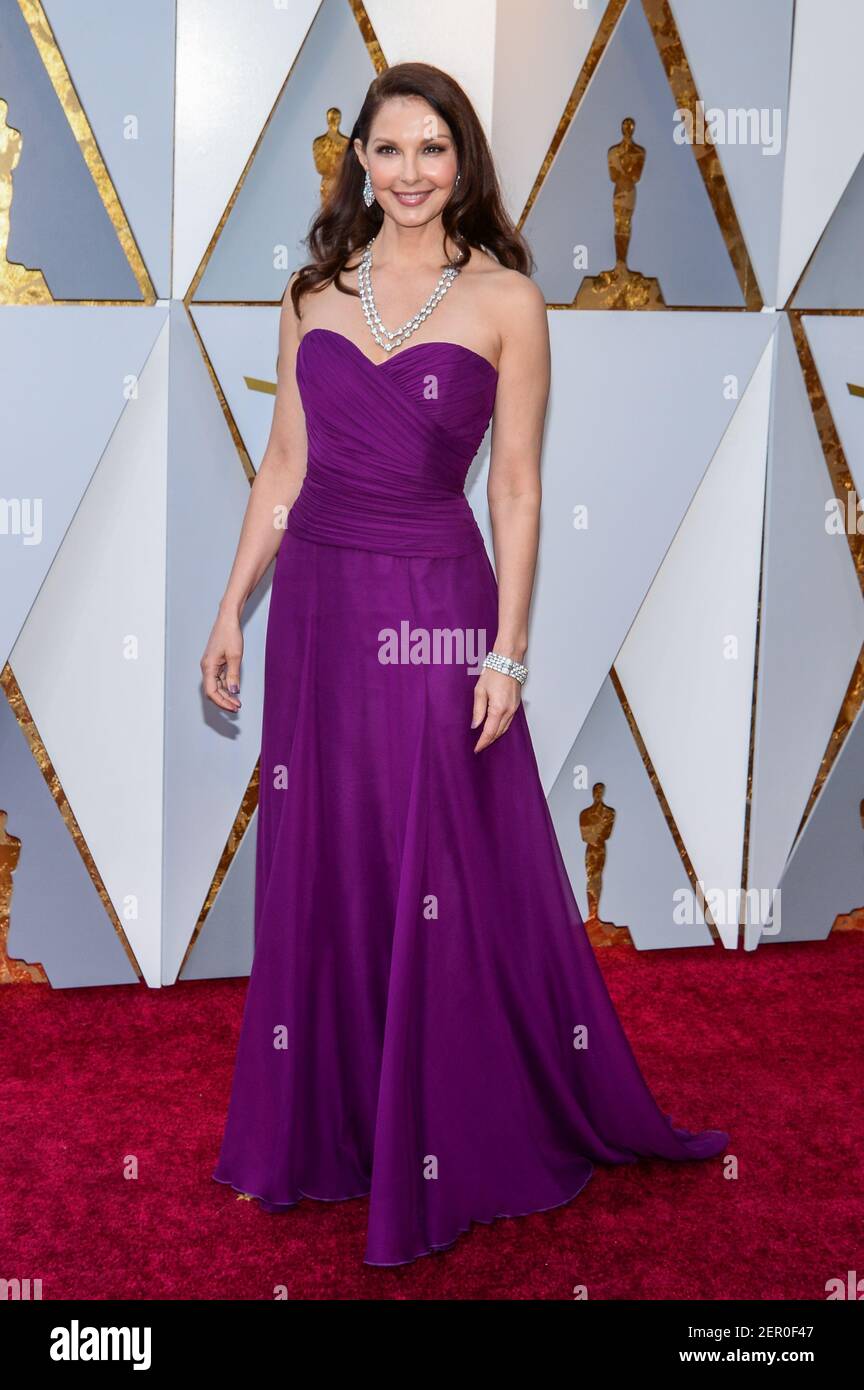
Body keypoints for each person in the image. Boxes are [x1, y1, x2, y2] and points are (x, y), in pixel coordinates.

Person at [202, 61, 729, 1268]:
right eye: (388, 151)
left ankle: (445, 1127)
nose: (409, 173)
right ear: (360, 165)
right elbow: (282, 471)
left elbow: (519, 487)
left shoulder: (507, 301)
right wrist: (233, 606)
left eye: (432, 150)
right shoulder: (309, 295)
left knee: (430, 853)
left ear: (465, 163)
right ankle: (333, 1129)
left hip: (439, 609)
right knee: (333, 853)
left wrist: (510, 653)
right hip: (322, 608)